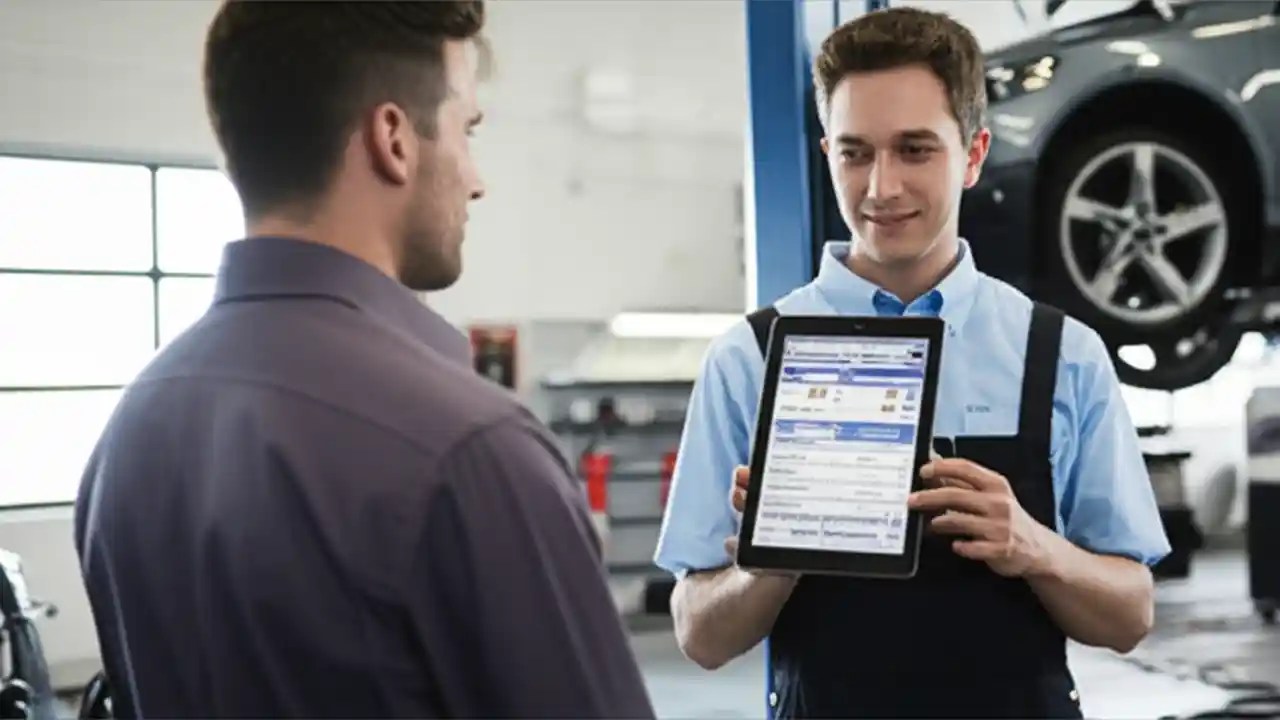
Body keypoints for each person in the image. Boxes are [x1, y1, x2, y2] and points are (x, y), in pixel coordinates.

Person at [73, 3, 654, 718]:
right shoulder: (472, 451)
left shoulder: (132, 427)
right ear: (393, 139)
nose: (477, 180)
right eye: (468, 131)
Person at [654, 7, 1171, 719]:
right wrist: (773, 558)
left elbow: (1129, 615)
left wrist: (1035, 547)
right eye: (856, 152)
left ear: (976, 154)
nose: (880, 188)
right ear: (827, 150)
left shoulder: (1063, 355)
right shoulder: (749, 358)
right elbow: (701, 636)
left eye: (916, 150)